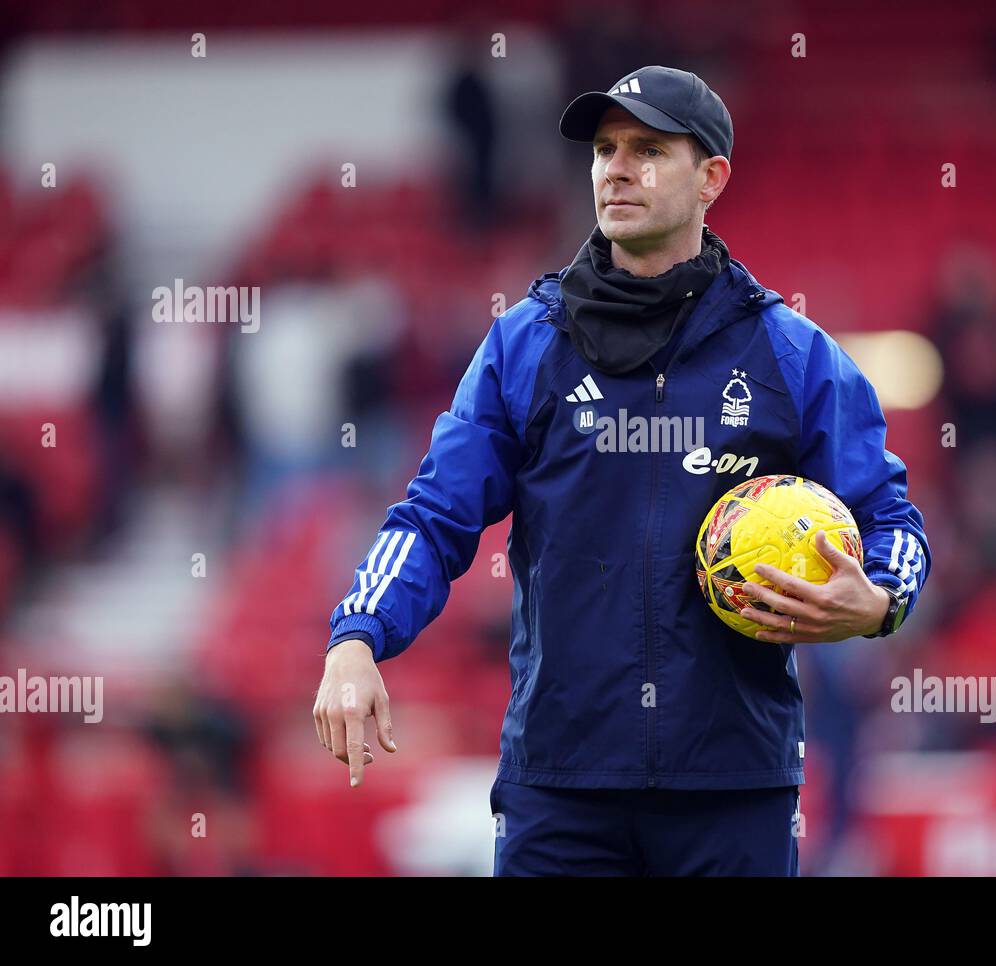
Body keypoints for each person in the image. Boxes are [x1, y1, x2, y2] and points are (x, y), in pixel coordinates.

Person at [312, 66, 931, 876]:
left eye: (647, 149)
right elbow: (433, 518)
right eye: (605, 149)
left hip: (733, 787)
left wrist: (878, 600)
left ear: (711, 178)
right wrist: (356, 637)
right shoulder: (524, 345)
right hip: (561, 789)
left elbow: (894, 522)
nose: (616, 168)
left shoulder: (790, 353)